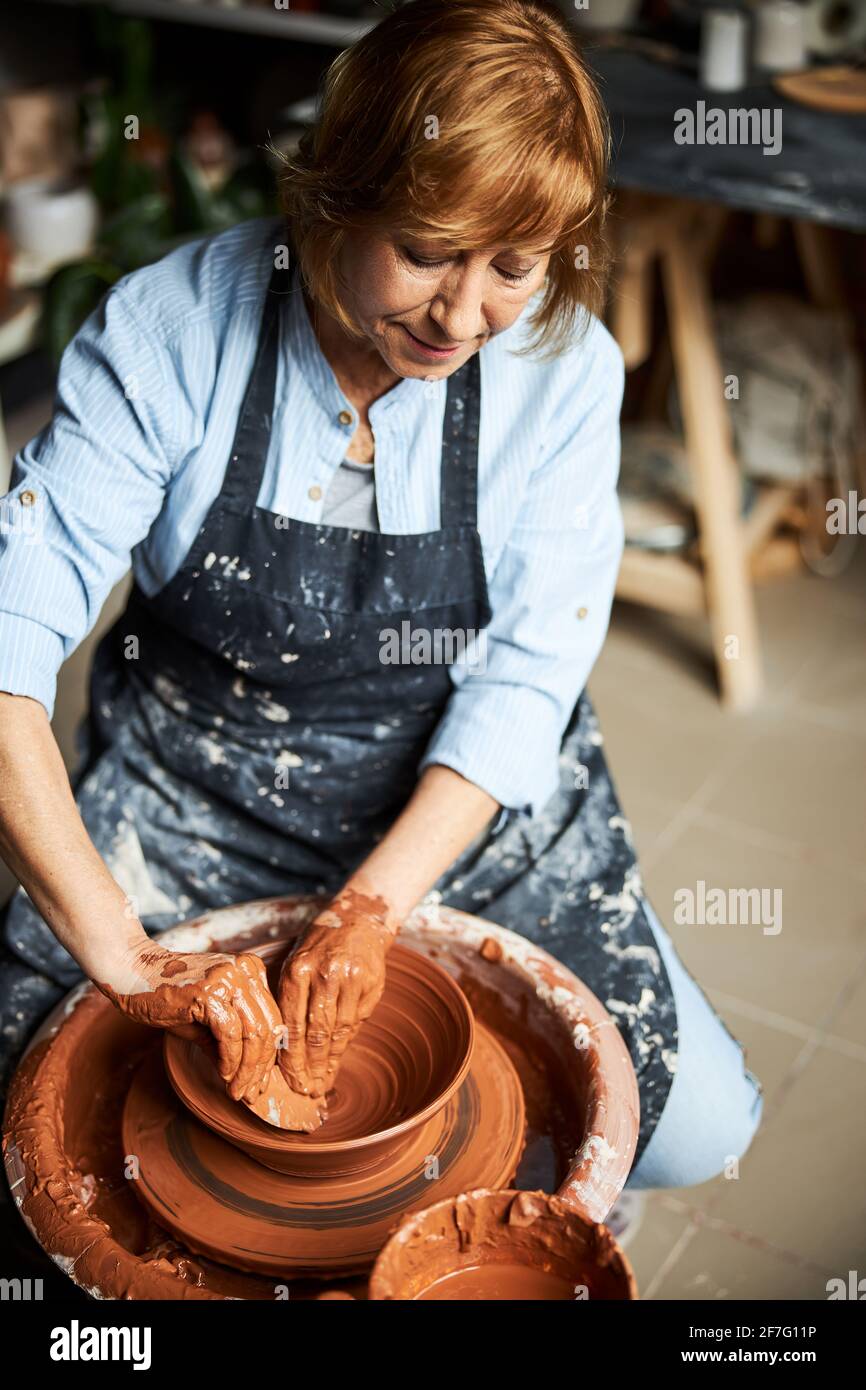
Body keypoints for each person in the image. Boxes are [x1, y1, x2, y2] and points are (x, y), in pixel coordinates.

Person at [0, 0, 761, 1186]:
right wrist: (128, 957)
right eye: (424, 251)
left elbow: (526, 673)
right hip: (195, 777)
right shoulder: (169, 331)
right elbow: (4, 654)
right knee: (59, 1124)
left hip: (446, 793)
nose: (463, 317)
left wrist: (370, 909)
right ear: (332, 194)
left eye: (512, 267)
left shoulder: (558, 375)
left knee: (682, 1128)